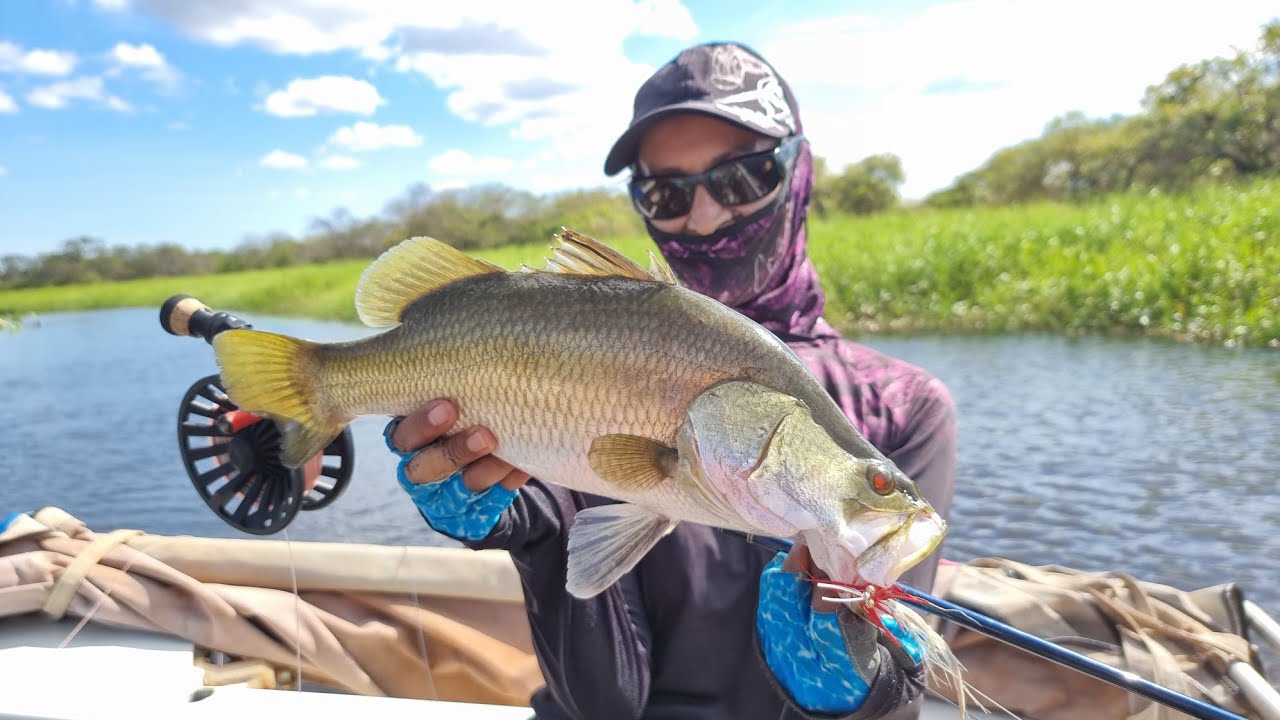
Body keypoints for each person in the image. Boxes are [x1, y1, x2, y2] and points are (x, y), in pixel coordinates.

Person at [384, 41, 958, 720]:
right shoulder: (575, 345)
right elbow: (545, 519)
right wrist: (480, 500)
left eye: (743, 178)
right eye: (665, 192)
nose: (707, 215)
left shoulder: (903, 406)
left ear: (797, 173)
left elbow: (902, 687)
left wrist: (863, 682)